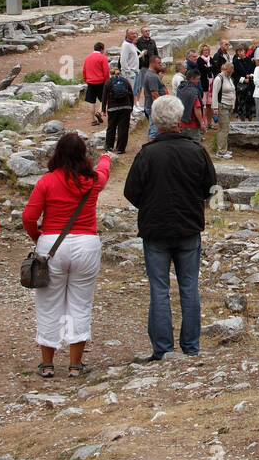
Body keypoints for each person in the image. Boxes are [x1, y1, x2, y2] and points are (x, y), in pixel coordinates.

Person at [123, 94, 218, 361]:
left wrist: (150, 204)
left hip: (155, 228)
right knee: (189, 286)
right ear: (179, 119)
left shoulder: (147, 154)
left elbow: (131, 192)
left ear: (156, 120)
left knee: (159, 288)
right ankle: (191, 346)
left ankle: (163, 348)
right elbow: (212, 188)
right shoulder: (197, 152)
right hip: (188, 227)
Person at [22, 133, 112, 378]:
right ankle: (75, 364)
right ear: (83, 155)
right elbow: (104, 170)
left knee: (48, 304)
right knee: (80, 305)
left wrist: (38, 237)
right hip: (86, 243)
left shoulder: (47, 181)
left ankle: (47, 362)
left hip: (52, 243)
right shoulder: (92, 181)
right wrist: (105, 156)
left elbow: (29, 217)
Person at [102, 63, 135, 153]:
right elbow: (131, 95)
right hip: (125, 107)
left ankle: (109, 146)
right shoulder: (125, 81)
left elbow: (104, 97)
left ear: (110, 73)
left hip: (112, 108)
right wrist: (131, 107)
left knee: (111, 127)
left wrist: (103, 110)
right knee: (123, 128)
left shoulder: (108, 82)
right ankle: (120, 148)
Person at [82, 43, 109, 126]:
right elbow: (106, 71)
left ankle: (93, 119)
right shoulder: (103, 57)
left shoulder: (87, 58)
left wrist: (86, 79)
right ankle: (99, 112)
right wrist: (107, 80)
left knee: (91, 101)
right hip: (100, 81)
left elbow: (84, 70)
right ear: (101, 49)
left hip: (90, 82)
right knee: (104, 99)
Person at [212, 60, 235, 159]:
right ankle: (221, 151)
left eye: (231, 72)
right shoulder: (219, 78)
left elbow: (232, 90)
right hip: (222, 106)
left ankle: (224, 149)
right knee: (223, 129)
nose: (229, 73)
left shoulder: (229, 78)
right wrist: (215, 108)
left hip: (229, 105)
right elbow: (214, 94)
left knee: (226, 129)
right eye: (228, 71)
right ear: (224, 69)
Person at [177, 68, 205, 144]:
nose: (199, 81)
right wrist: (201, 123)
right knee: (195, 146)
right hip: (192, 125)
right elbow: (197, 108)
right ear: (192, 79)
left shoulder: (180, 88)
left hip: (182, 123)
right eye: (198, 79)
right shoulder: (194, 91)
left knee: (183, 146)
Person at [142, 56, 167, 137]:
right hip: (153, 107)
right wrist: (160, 108)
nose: (161, 65)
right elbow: (154, 94)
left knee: (152, 129)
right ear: (152, 63)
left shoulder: (153, 75)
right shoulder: (152, 76)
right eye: (158, 63)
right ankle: (151, 148)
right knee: (154, 132)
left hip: (151, 106)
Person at [135, 27, 158, 97]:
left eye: (148, 31)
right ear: (142, 33)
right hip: (143, 66)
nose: (148, 32)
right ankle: (137, 101)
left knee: (152, 84)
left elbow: (156, 53)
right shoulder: (138, 42)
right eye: (146, 31)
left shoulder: (152, 41)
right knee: (140, 85)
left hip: (152, 66)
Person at [119, 28, 140, 95]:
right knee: (129, 92)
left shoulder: (131, 44)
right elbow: (123, 60)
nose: (134, 35)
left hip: (135, 71)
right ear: (127, 35)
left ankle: (133, 105)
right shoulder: (126, 45)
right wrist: (128, 71)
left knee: (134, 92)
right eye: (132, 34)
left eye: (135, 33)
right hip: (130, 73)